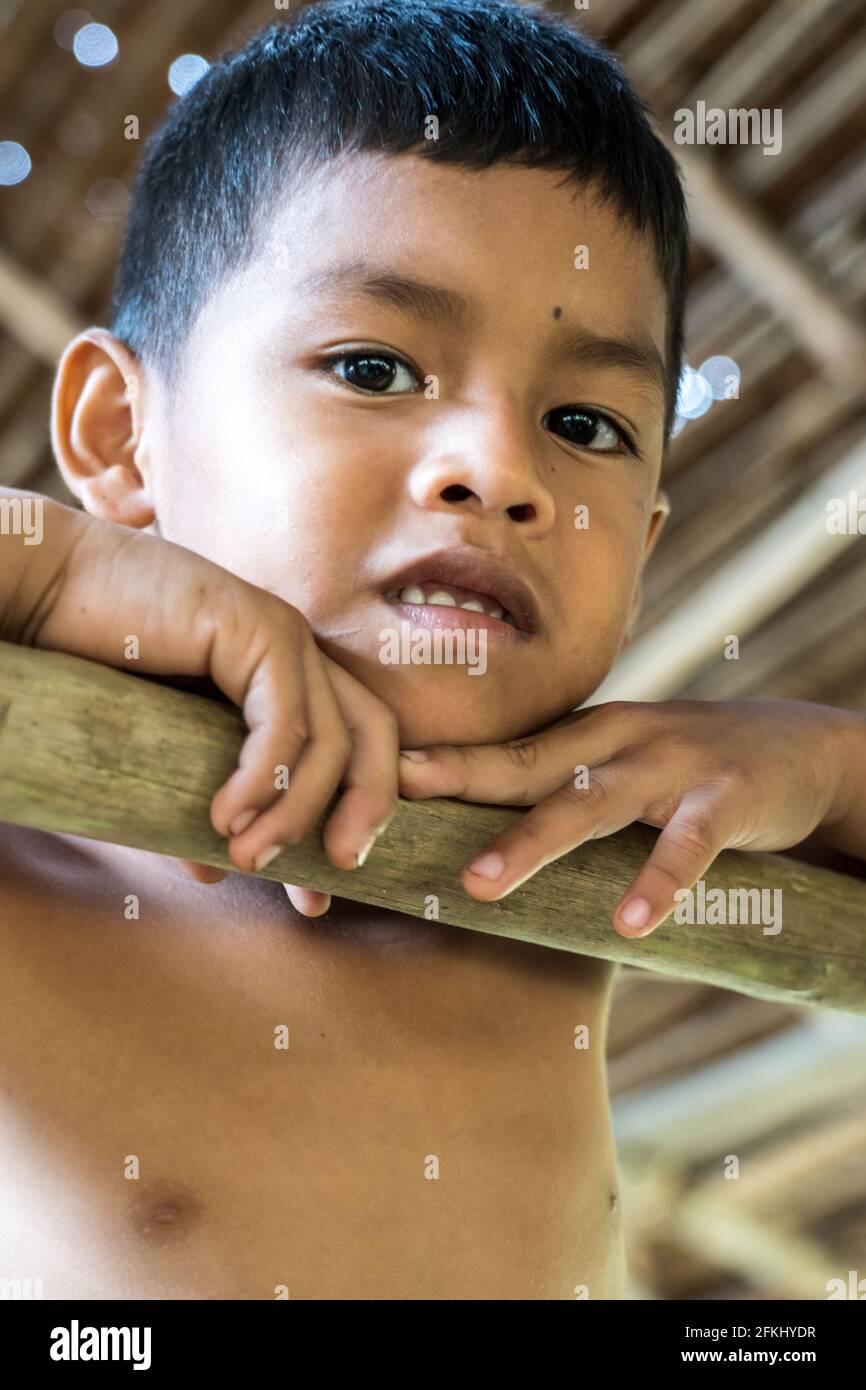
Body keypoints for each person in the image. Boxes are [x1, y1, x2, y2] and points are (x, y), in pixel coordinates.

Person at [1, 0, 863, 1300]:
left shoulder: (603, 843)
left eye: (583, 420)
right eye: (371, 367)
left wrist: (831, 768)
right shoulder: (27, 851)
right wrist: (51, 563)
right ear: (120, 435)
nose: (497, 469)